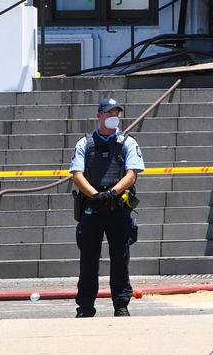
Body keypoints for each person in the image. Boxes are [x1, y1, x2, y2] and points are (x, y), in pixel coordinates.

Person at [70, 98, 145, 318]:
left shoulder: (128, 142)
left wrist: (112, 193)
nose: (114, 117)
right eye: (109, 113)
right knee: (88, 260)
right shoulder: (85, 143)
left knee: (120, 258)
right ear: (99, 116)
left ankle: (121, 304)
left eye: (116, 114)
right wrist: (95, 195)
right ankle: (85, 307)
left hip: (117, 207)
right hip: (92, 207)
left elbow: (132, 174)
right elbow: (77, 174)